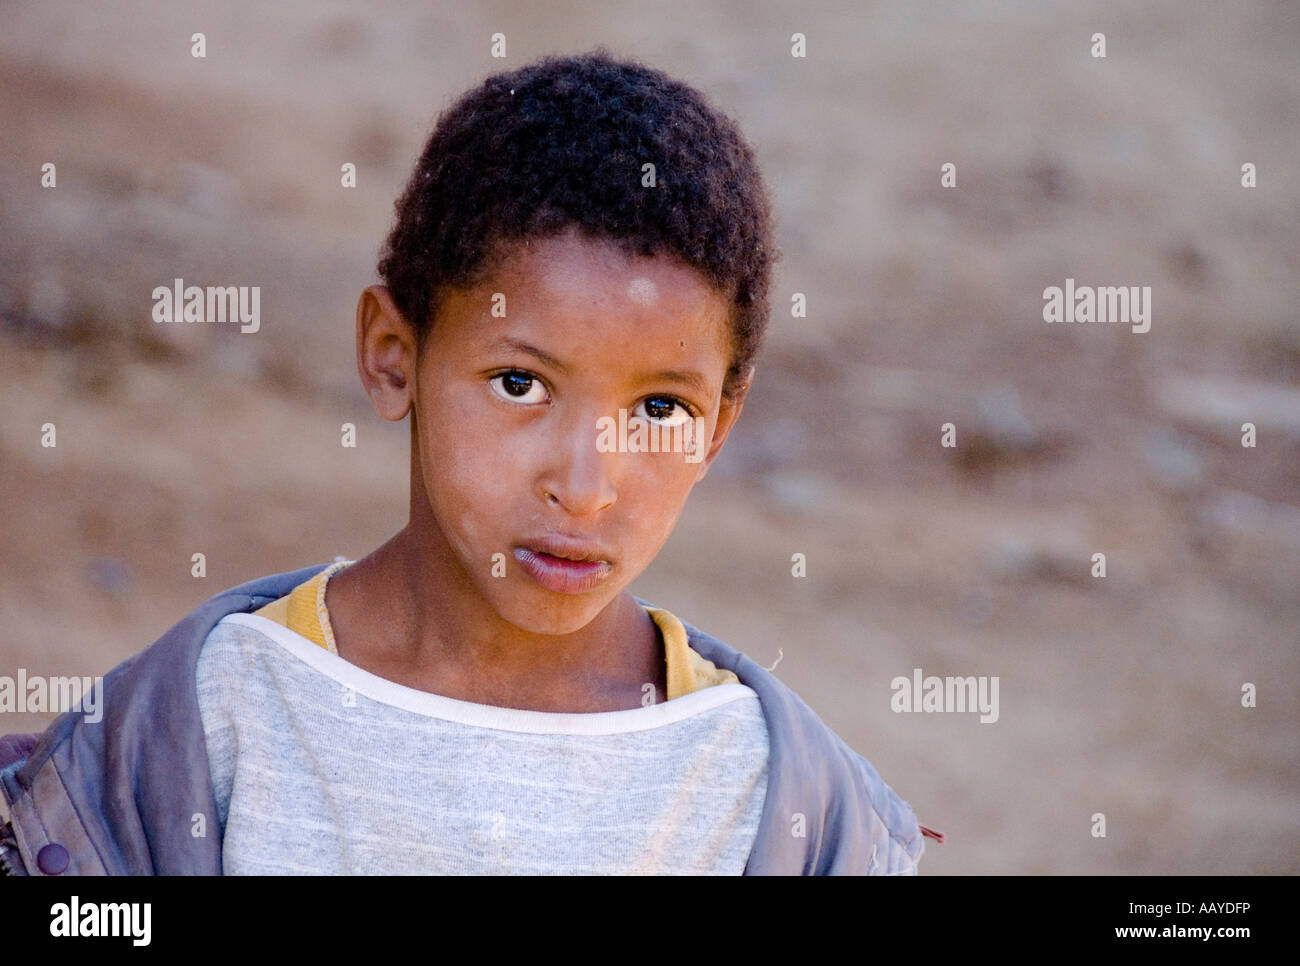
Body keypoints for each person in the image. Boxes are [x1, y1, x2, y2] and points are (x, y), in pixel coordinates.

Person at [0, 49, 933, 875]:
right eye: (522, 385)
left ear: (720, 427)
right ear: (392, 356)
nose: (586, 483)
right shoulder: (208, 724)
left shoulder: (772, 797)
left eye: (660, 408)